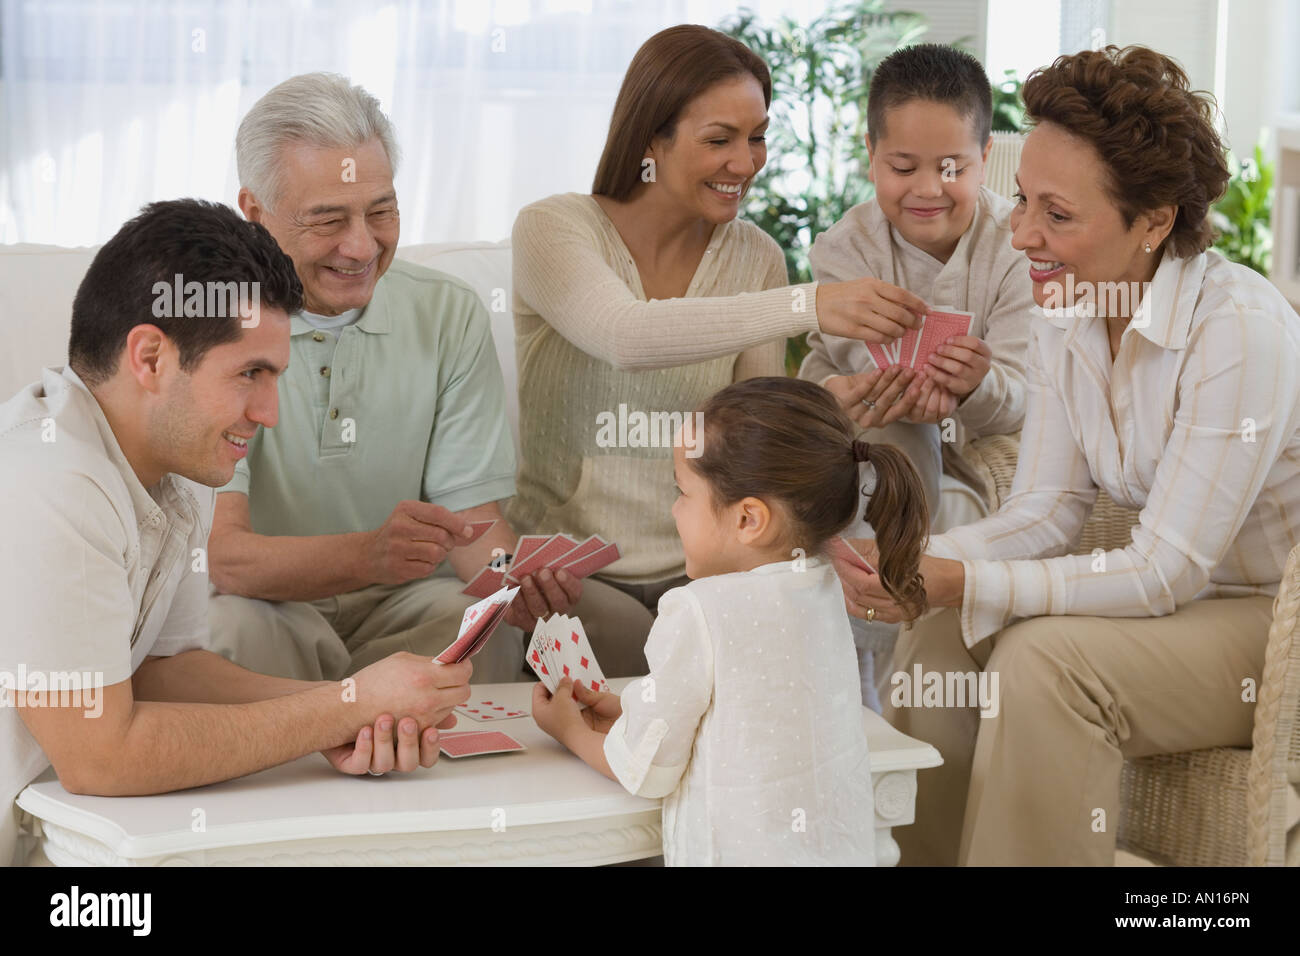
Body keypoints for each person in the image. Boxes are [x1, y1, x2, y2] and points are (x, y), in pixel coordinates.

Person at [831, 46, 1300, 866]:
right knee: (942, 636)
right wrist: (916, 562)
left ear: (1153, 221)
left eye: (1057, 214)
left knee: (1043, 662)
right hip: (1176, 611)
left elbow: (1165, 570)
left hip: (1269, 626)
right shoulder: (1070, 310)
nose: (1020, 235)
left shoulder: (1239, 329)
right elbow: (1049, 510)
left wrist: (967, 578)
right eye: (1020, 202)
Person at [0, 199, 473, 867]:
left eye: (276, 376)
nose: (269, 412)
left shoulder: (179, 467)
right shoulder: (51, 480)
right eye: (250, 373)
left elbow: (168, 673)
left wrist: (353, 707)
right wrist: (341, 710)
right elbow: (100, 756)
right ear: (151, 359)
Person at [509, 25, 930, 677]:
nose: (746, 163)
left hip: (706, 570)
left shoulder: (756, 257)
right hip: (572, 581)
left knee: (781, 636)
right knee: (637, 657)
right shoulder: (554, 228)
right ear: (652, 139)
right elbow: (626, 334)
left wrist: (825, 410)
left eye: (757, 136)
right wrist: (809, 302)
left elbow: (746, 439)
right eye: (719, 140)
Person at [208, 73, 579, 684]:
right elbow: (224, 559)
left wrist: (517, 578)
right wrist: (366, 553)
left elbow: (470, 522)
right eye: (327, 220)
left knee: (478, 627)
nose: (361, 247)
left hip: (403, 603)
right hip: (267, 606)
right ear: (254, 212)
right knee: (227, 633)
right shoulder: (210, 323)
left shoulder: (448, 312)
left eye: (380, 210)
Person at [532, 377, 930, 865]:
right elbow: (744, 714)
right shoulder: (823, 588)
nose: (674, 510)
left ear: (748, 520)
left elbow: (649, 769)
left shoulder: (697, 608)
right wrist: (626, 708)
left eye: (682, 493)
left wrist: (569, 731)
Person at [798, 43, 1032, 711]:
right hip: (868, 422)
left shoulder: (1016, 250)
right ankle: (882, 616)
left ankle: (898, 611)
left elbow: (1021, 396)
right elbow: (853, 371)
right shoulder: (844, 248)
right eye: (903, 166)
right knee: (895, 420)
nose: (928, 189)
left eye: (953, 167)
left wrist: (977, 384)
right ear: (871, 153)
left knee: (915, 419)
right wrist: (903, 392)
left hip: (978, 439)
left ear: (986, 158)